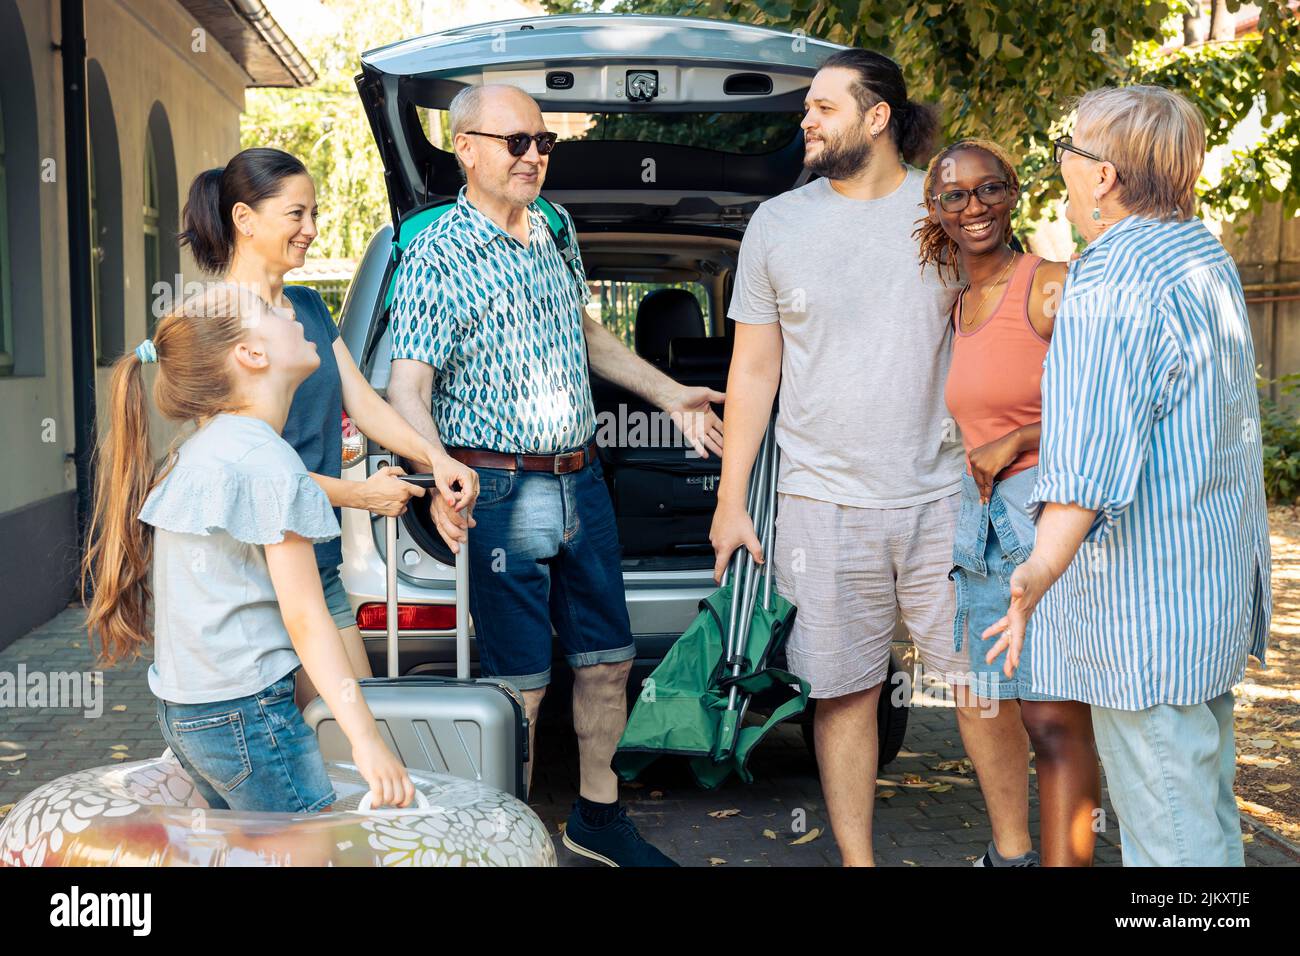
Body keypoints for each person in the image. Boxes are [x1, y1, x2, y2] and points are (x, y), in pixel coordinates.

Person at [385, 83, 724, 867]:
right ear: (465, 148)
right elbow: (408, 387)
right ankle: (505, 836)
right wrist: (437, 470)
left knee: (607, 663)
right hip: (497, 490)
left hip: (582, 481)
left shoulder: (556, 227)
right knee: (521, 685)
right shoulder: (435, 251)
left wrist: (669, 391)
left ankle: (597, 821)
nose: (535, 155)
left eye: (543, 143)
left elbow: (580, 329)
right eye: (517, 143)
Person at [982, 85, 1272, 866]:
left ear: (1102, 176)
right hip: (1202, 596)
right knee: (1200, 809)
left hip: (1144, 615)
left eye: (1068, 152)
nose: (1063, 168)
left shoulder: (1112, 281)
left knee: (1171, 838)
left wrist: (1036, 570)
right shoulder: (1200, 252)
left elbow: (1088, 463)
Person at [712, 48, 984, 866]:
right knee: (842, 694)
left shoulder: (946, 211)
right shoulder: (778, 224)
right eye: (808, 108)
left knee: (984, 687)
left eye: (824, 107)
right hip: (820, 503)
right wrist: (730, 501)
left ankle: (1014, 851)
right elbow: (754, 369)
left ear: (877, 117)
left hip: (944, 496)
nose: (807, 119)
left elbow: (1005, 332)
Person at [80, 283, 415, 813]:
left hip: (187, 711)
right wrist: (367, 740)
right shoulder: (267, 461)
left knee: (254, 850)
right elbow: (307, 619)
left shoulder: (205, 449)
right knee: (308, 848)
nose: (291, 316)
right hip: (245, 713)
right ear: (252, 355)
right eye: (269, 313)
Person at [177, 148, 479, 711]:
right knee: (281, 750)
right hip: (247, 577)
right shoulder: (213, 323)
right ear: (245, 219)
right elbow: (241, 475)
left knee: (352, 730)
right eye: (296, 214)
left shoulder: (307, 307)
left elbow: (365, 403)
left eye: (313, 214)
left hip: (316, 562)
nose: (311, 230)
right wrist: (361, 494)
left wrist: (436, 461)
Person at [916, 139, 1100, 866]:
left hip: (1049, 519)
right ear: (938, 210)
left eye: (988, 189)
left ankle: (1070, 857)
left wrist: (1016, 436)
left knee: (1054, 710)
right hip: (982, 528)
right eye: (954, 196)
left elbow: (1109, 403)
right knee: (982, 698)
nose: (974, 207)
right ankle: (1010, 855)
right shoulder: (958, 306)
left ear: (1014, 193)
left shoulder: (1051, 283)